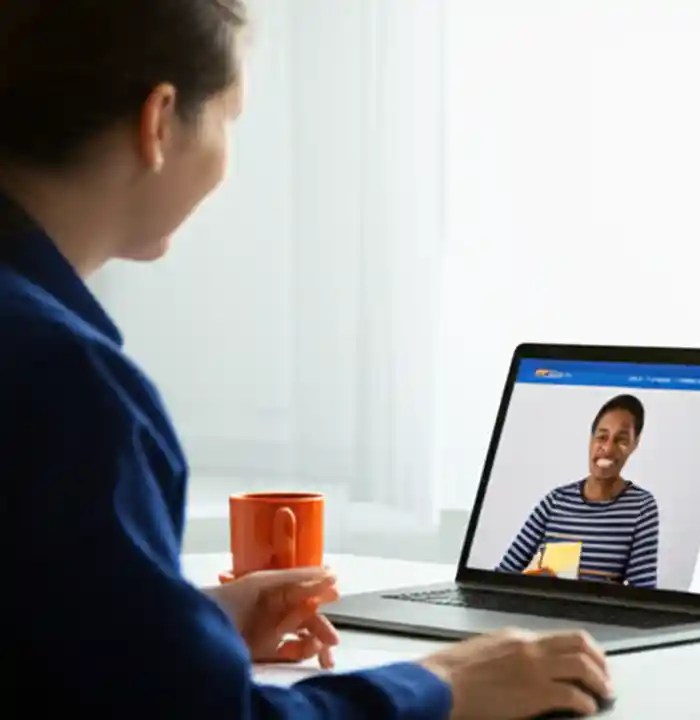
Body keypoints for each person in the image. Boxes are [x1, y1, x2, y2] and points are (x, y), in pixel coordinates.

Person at [0, 1, 610, 717]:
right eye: (230, 118)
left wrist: (189, 624)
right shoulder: (65, 385)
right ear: (159, 121)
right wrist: (444, 685)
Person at [498, 395, 661, 588]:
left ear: (634, 444)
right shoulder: (555, 501)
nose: (607, 449)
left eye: (621, 440)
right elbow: (503, 575)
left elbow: (643, 593)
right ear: (591, 439)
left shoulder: (641, 507)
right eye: (602, 437)